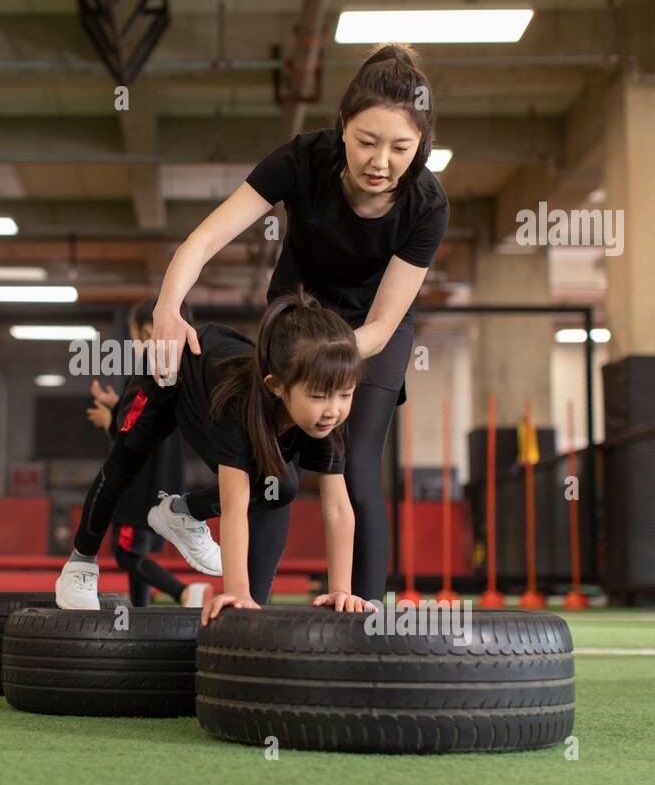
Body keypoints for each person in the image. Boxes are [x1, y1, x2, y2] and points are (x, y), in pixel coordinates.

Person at [147, 42, 448, 606]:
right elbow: (207, 237)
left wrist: (327, 364)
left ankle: (364, 615)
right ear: (341, 129)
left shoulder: (427, 204)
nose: (380, 161)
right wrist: (168, 305)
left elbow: (384, 321)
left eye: (400, 148)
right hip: (297, 316)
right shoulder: (300, 161)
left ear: (420, 146)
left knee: (355, 466)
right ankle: (246, 609)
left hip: (370, 333)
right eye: (366, 142)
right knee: (271, 470)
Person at [57, 290, 373, 623]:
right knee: (125, 463)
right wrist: (238, 591)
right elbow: (235, 506)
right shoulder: (240, 403)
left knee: (281, 487)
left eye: (346, 394)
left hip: (212, 401)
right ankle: (80, 563)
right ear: (276, 385)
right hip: (172, 374)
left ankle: (182, 514)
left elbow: (338, 507)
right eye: (320, 396)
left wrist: (341, 588)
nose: (334, 409)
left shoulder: (330, 419)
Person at [85, 297, 211, 609]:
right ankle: (141, 615)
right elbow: (146, 423)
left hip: (138, 489)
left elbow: (131, 435)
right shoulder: (181, 372)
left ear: (146, 330)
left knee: (127, 554)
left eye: (132, 332)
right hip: (161, 487)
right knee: (138, 553)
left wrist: (109, 420)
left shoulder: (149, 366)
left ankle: (183, 591)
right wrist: (117, 407)